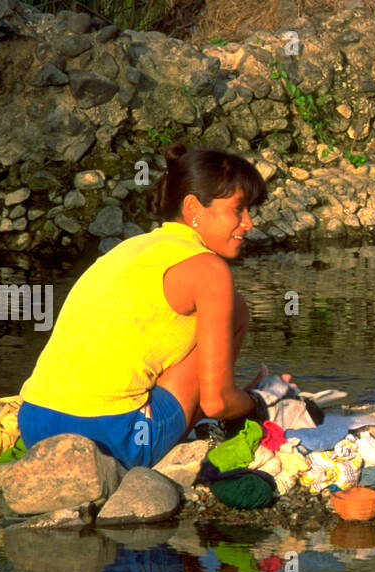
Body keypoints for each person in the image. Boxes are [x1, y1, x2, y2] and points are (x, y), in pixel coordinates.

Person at [17, 144, 275, 468]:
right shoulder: (210, 270)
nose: (249, 223)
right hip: (112, 440)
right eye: (239, 210)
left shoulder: (134, 247)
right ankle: (194, 435)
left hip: (34, 424)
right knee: (234, 310)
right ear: (193, 208)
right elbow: (216, 401)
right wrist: (255, 403)